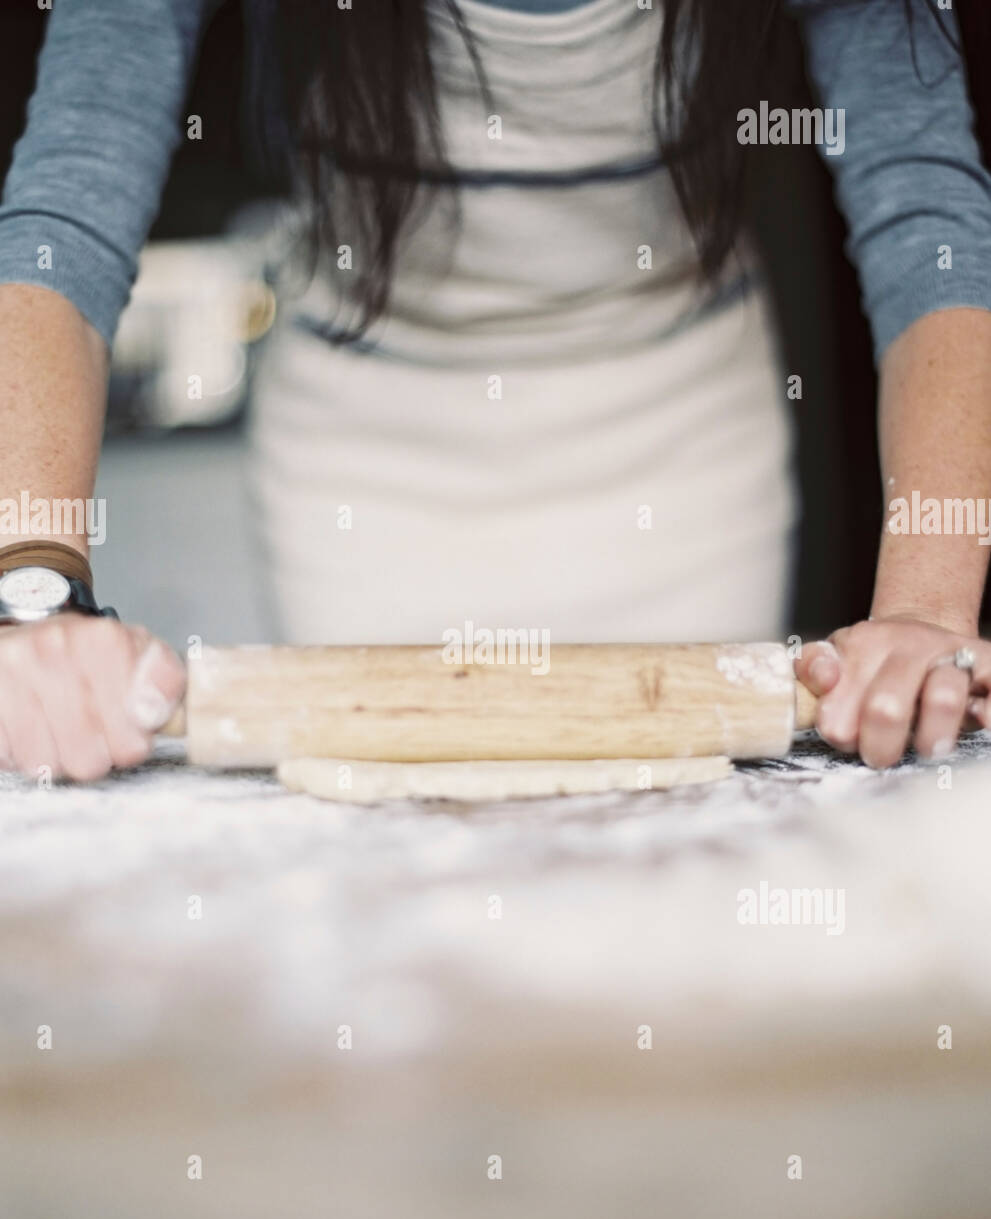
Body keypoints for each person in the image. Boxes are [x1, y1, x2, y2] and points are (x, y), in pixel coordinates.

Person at [0, 0, 990, 781]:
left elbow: (928, 229)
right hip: (372, 458)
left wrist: (926, 616)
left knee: (664, 911)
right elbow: (68, 214)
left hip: (674, 443)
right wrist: (36, 592)